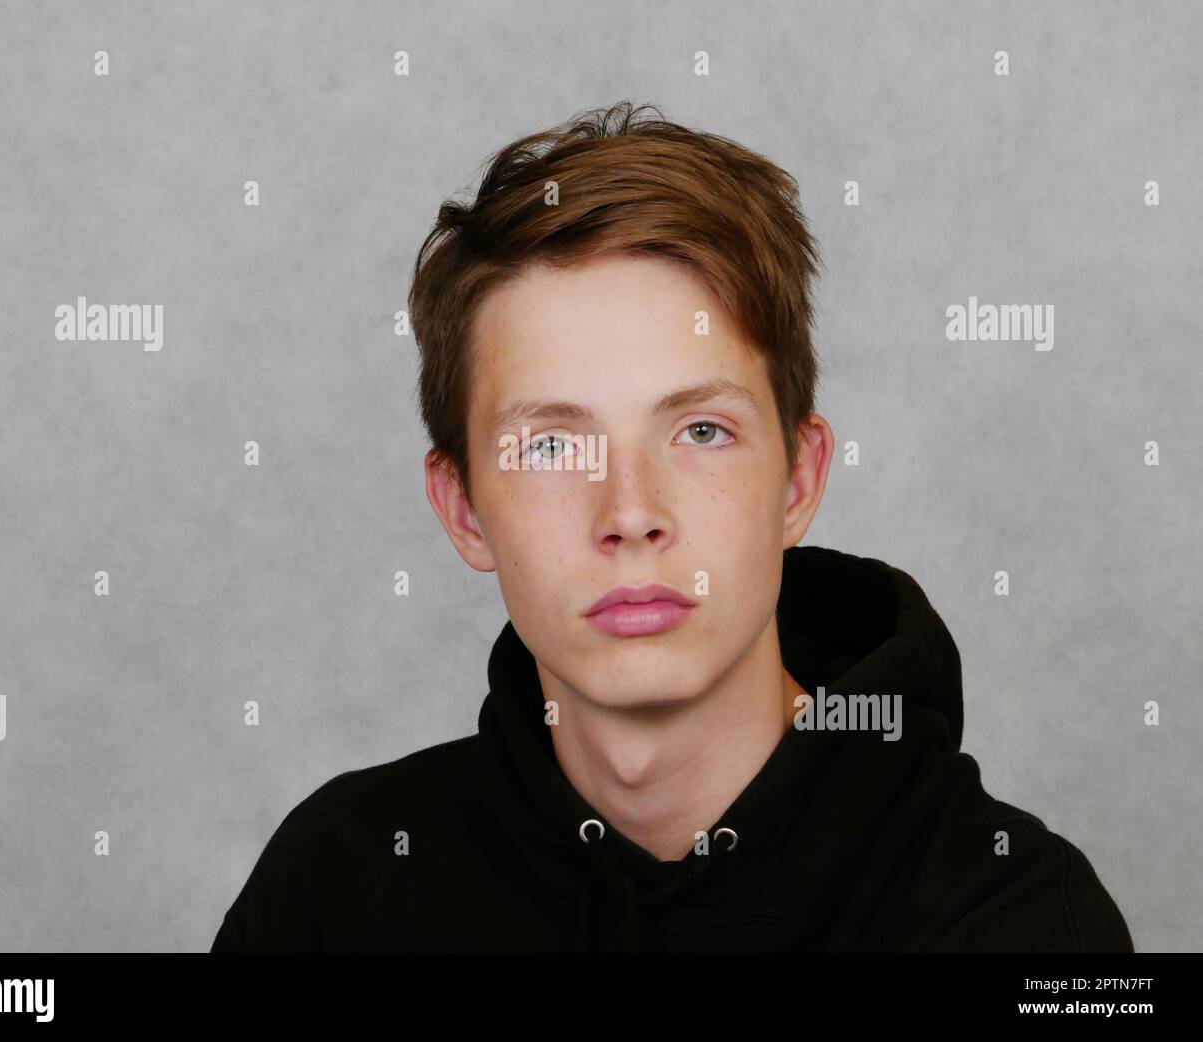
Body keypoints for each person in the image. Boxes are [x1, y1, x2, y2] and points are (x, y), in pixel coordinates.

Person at [211, 102, 1133, 952]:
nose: (631, 514)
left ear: (799, 480)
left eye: (700, 431)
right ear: (462, 510)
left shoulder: (1020, 917)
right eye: (553, 448)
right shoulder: (336, 888)